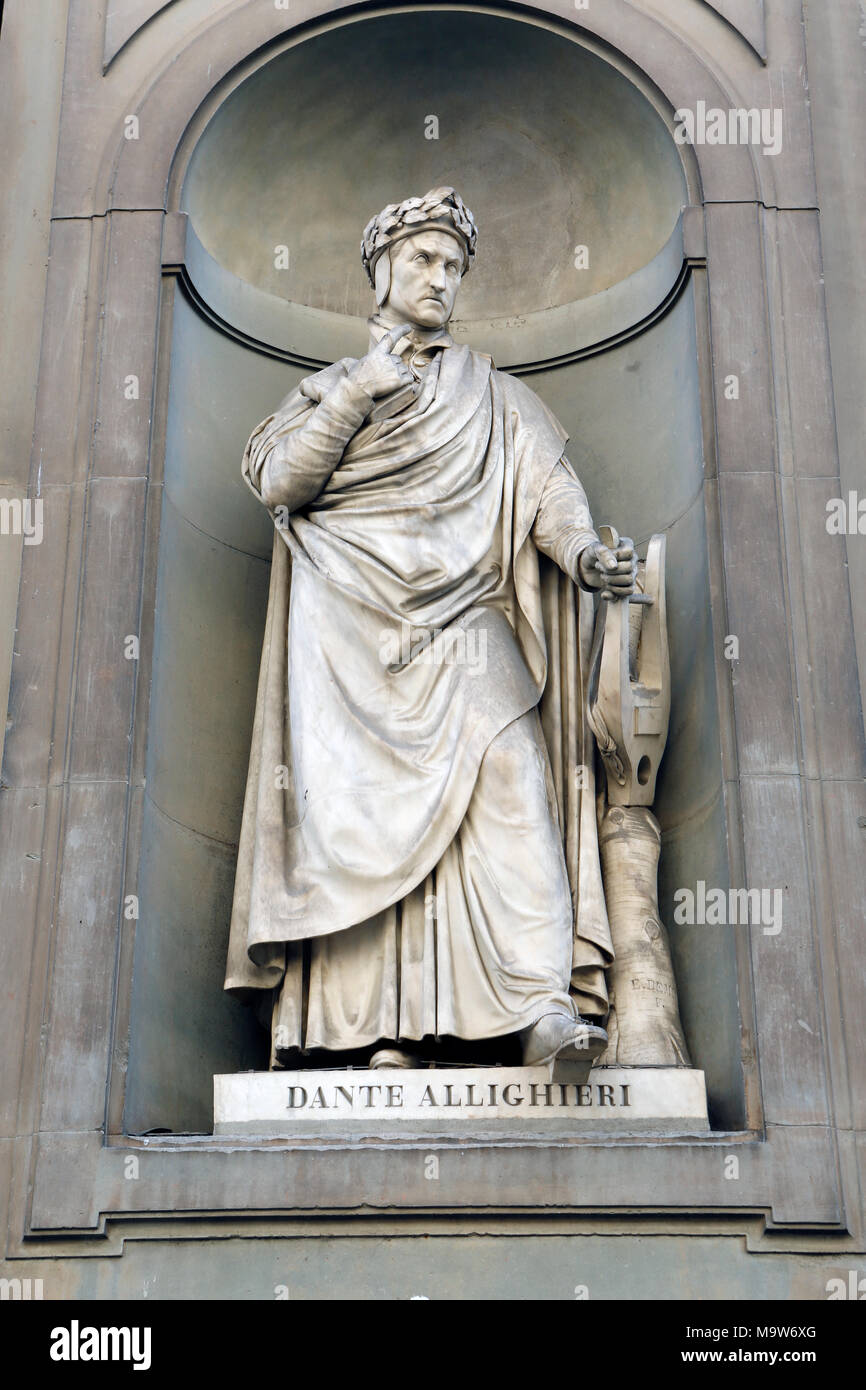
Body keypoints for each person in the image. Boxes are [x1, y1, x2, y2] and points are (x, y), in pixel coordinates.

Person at [225, 187, 637, 1069]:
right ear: (382, 269)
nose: (440, 278)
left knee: (512, 778)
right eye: (423, 259)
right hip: (352, 640)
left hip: (469, 628)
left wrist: (583, 556)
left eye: (454, 265)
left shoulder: (494, 395)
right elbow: (280, 485)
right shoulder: (333, 387)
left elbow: (547, 491)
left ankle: (542, 1007)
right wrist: (355, 397)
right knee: (360, 818)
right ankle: (382, 1033)